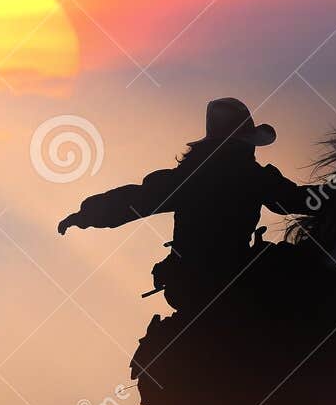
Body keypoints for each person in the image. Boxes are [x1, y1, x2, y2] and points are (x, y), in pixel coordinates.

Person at [58, 98, 317, 313]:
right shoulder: (252, 177)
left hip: (186, 287)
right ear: (241, 145)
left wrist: (84, 215)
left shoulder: (186, 179)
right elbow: (294, 200)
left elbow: (134, 200)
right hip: (232, 278)